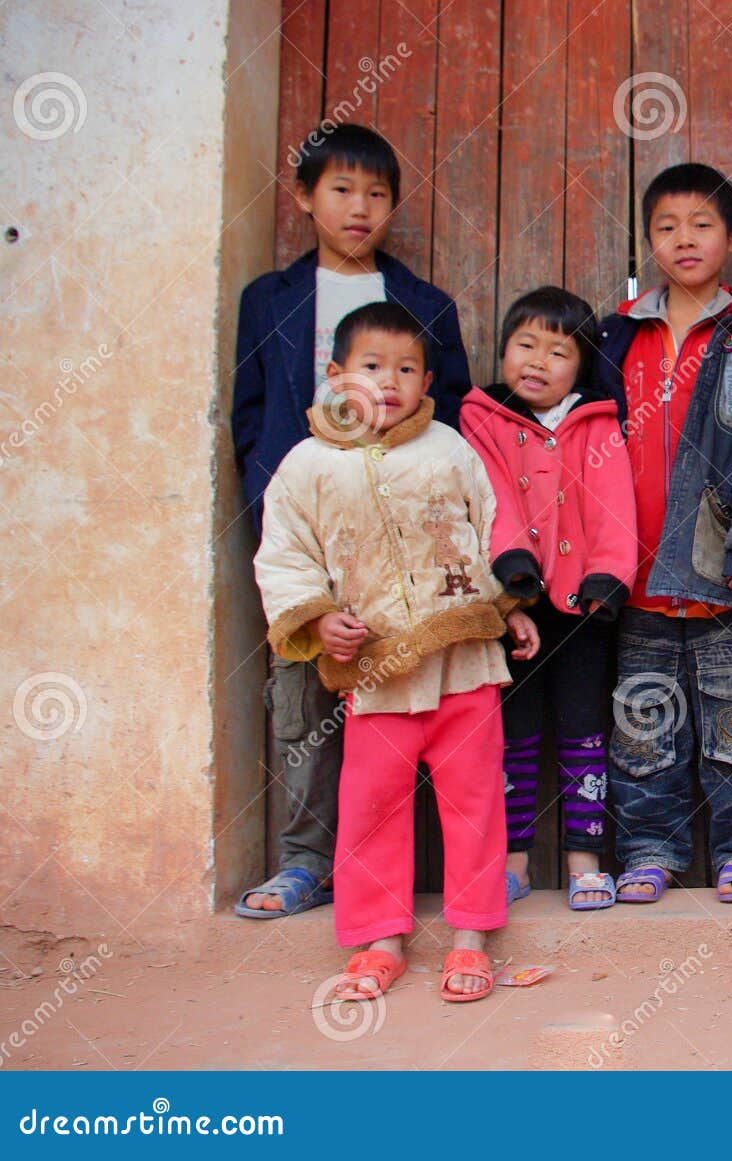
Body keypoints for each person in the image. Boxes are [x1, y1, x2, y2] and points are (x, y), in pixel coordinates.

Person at [254, 302, 530, 1002]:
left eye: (406, 368)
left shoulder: (448, 448)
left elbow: (493, 523)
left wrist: (510, 607)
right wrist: (317, 621)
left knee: (473, 800)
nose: (389, 381)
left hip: (463, 659)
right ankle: (382, 939)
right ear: (336, 374)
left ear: (427, 379)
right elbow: (284, 555)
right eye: (372, 366)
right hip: (375, 672)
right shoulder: (306, 465)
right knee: (371, 803)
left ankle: (470, 936)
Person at [231, 123, 471, 919]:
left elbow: (457, 421)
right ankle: (304, 860)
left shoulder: (425, 305)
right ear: (304, 198)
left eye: (375, 193)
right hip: (307, 528)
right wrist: (275, 505)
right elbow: (250, 414)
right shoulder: (268, 298)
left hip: (405, 540)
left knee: (408, 698)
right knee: (302, 697)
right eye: (340, 189)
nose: (359, 207)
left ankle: (398, 877)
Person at [595, 162, 732, 904]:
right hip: (636, 578)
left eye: (701, 224)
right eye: (666, 227)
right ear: (648, 243)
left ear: (731, 236)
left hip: (724, 571)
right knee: (643, 725)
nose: (684, 239)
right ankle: (650, 850)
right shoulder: (616, 337)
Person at [461, 287, 638, 911]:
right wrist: (513, 568)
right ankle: (514, 860)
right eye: (525, 344)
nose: (537, 360)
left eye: (557, 351)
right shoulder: (480, 419)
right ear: (503, 349)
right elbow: (489, 500)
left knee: (585, 731)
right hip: (517, 606)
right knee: (514, 734)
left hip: (583, 609)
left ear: (580, 365)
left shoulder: (596, 421)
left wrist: (609, 576)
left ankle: (585, 859)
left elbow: (615, 504)